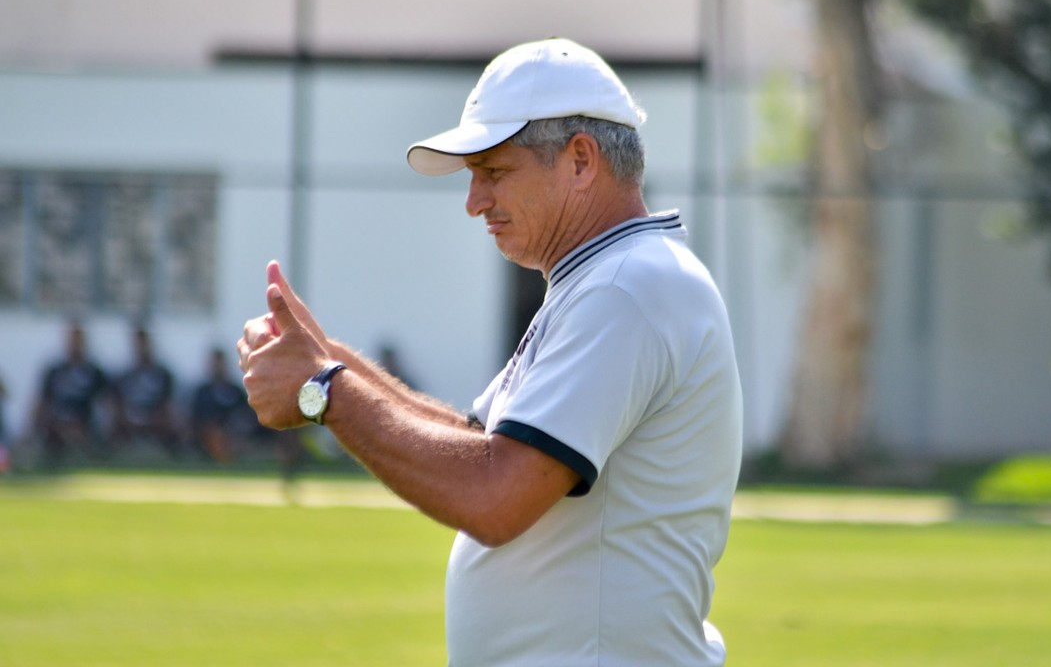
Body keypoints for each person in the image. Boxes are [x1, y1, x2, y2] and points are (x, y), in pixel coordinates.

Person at [238, 37, 744, 665]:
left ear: (581, 160)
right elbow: (480, 445)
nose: (475, 202)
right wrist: (327, 358)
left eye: (495, 172)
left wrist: (325, 390)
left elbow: (494, 496)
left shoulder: (625, 287)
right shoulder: (613, 279)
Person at [32, 321, 112, 462]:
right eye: (72, 339)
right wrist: (33, 428)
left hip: (85, 423)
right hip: (56, 423)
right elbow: (42, 401)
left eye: (78, 340)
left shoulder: (94, 372)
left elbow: (107, 402)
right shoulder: (55, 371)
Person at [113, 324, 181, 457]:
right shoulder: (125, 374)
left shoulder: (162, 374)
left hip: (156, 418)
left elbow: (168, 402)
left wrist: (156, 417)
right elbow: (116, 402)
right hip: (130, 419)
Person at [190, 347, 249, 464]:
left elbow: (244, 413)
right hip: (207, 432)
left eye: (220, 363)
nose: (217, 367)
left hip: (232, 431)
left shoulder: (235, 390)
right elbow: (196, 414)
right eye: (215, 364)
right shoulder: (203, 391)